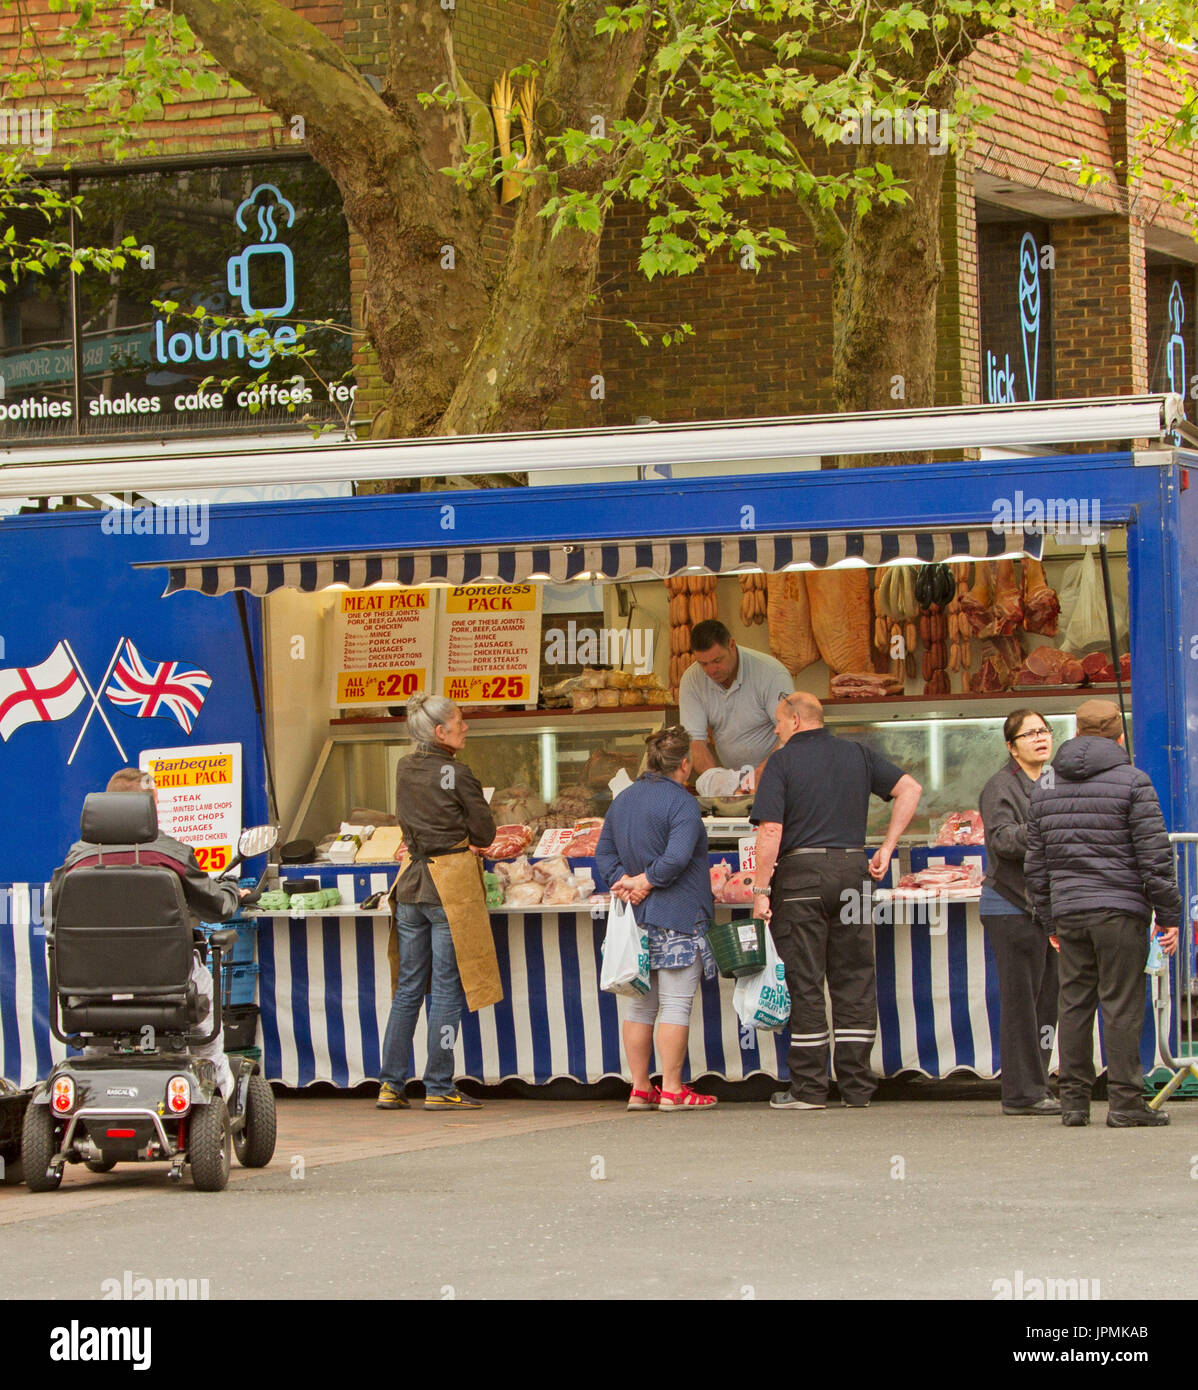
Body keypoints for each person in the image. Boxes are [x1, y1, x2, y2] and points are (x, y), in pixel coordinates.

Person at [750, 692, 922, 1110]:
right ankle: (857, 1088)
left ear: (793, 719)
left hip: (801, 878)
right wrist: (888, 846)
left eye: (777, 722)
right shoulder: (858, 754)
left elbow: (770, 832)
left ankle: (809, 1090)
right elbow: (910, 789)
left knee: (806, 981)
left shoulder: (782, 762)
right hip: (853, 873)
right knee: (855, 979)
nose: (775, 730)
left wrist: (759, 890)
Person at [1025, 698, 1181, 1129]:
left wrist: (1048, 918)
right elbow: (1155, 859)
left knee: (1074, 1004)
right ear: (1119, 735)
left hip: (1070, 911)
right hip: (1120, 911)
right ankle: (1126, 1103)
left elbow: (1035, 862)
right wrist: (1169, 915)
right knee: (1121, 1006)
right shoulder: (1133, 781)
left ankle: (1074, 1103)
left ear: (1075, 733)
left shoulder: (1046, 785)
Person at [51, 767, 249, 1101]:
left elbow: (53, 918)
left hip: (93, 995)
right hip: (167, 992)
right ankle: (218, 1081)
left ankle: (94, 1087)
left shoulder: (76, 859)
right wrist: (231, 889)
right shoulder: (168, 854)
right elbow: (218, 907)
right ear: (146, 809)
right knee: (204, 993)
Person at [378, 692, 496, 1112]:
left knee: (409, 988)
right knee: (446, 989)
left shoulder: (405, 766)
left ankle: (390, 1085)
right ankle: (439, 1085)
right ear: (439, 730)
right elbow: (485, 835)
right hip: (448, 888)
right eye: (460, 721)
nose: (466, 727)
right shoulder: (457, 773)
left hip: (410, 885)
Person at [595, 726, 718, 1111]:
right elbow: (678, 857)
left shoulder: (623, 800)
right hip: (680, 915)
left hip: (637, 920)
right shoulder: (683, 803)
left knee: (640, 1006)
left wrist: (626, 883)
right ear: (685, 764)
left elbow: (604, 855)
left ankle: (639, 1088)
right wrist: (647, 881)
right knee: (676, 1004)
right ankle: (673, 1089)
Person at [978, 710, 1060, 1116]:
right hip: (1010, 905)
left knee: (1048, 1002)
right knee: (1021, 1002)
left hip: (1048, 909)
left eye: (1043, 731)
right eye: (1028, 734)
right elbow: (1003, 841)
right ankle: (1021, 1093)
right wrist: (1051, 829)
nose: (1039, 738)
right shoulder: (1001, 786)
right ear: (1011, 746)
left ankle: (1039, 1083)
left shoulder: (1053, 781)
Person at [679, 619, 792, 782]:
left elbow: (789, 732)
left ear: (732, 645)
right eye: (703, 663)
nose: (711, 670)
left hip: (779, 776)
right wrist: (716, 781)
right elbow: (695, 742)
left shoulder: (770, 673)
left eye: (717, 661)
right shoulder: (692, 680)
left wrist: (760, 777)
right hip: (733, 780)